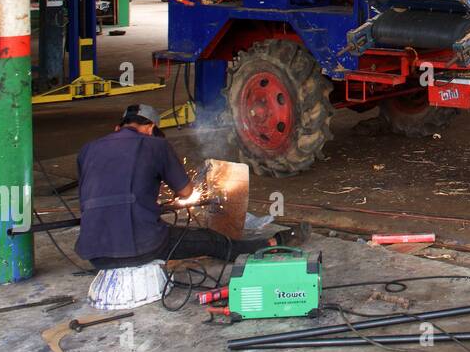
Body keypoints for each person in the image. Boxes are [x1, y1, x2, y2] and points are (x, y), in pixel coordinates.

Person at [75, 104, 308, 269]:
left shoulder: (87, 149)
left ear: (118, 128)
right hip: (142, 247)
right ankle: (269, 244)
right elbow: (186, 193)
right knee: (210, 240)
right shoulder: (156, 146)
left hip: (95, 255)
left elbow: (94, 195)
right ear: (150, 128)